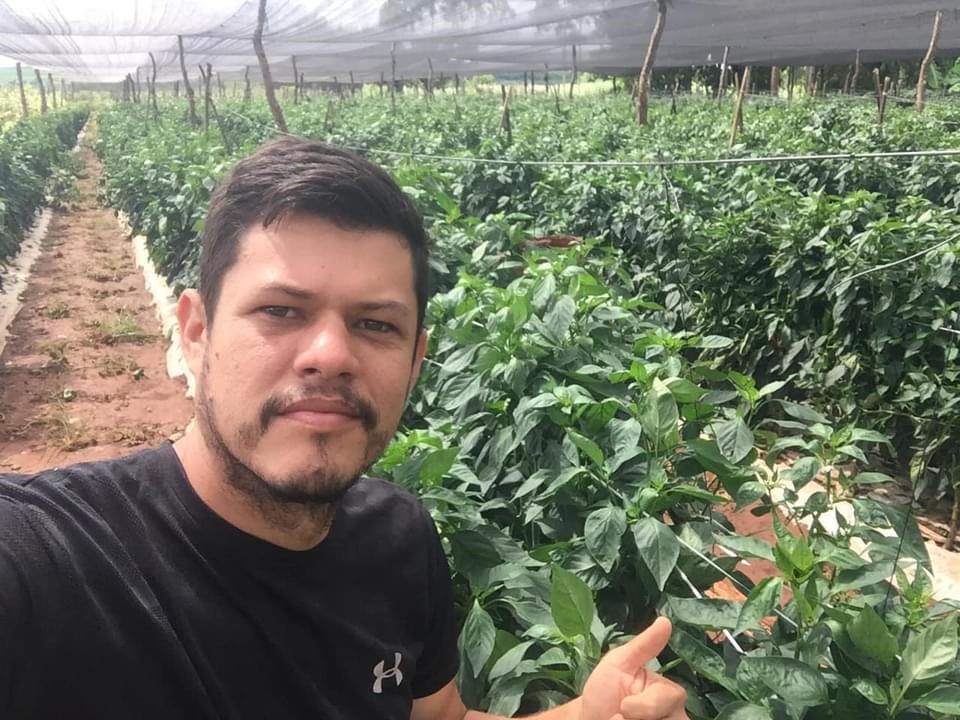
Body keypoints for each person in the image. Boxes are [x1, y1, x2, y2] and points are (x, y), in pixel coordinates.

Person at [0, 136, 688, 720]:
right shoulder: (55, 563)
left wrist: (582, 716)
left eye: (375, 325)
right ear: (196, 331)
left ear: (416, 360)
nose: (330, 354)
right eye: (281, 310)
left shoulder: (399, 538)